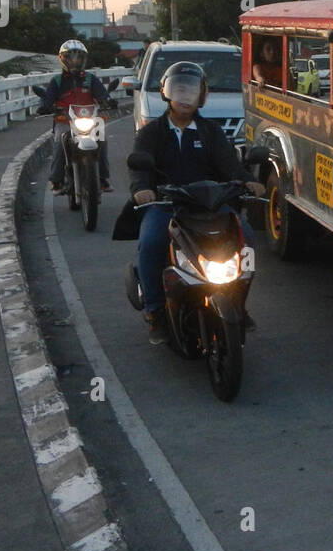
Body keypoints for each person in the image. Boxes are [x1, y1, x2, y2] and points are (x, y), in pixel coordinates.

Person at [130, 61, 265, 345]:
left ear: (201, 95)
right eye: (179, 90)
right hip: (167, 204)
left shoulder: (211, 132)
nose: (185, 97)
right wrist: (143, 190)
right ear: (167, 93)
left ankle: (238, 303)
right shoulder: (152, 132)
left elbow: (231, 166)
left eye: (192, 91)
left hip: (210, 204)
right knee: (152, 241)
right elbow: (140, 168)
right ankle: (155, 311)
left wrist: (247, 180)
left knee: (247, 240)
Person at [35, 39, 116, 192]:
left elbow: (102, 95)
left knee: (102, 139)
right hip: (65, 120)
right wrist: (44, 106)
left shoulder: (91, 79)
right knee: (60, 140)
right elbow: (47, 98)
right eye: (71, 57)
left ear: (83, 59)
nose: (75, 61)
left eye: (78, 57)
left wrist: (108, 101)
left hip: (91, 119)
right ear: (63, 59)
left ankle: (103, 178)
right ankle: (56, 180)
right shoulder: (57, 81)